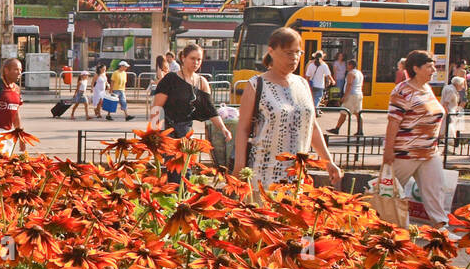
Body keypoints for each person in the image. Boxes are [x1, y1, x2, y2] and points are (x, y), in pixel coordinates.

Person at [234, 28, 342, 191]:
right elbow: (243, 129)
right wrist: (240, 167)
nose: (294, 58)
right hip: (263, 179)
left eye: (298, 52)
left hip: (296, 179)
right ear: (271, 51)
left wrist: (328, 162)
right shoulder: (256, 85)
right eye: (288, 53)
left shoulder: (303, 84)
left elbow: (312, 127)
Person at [382, 50, 448, 228]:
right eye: (429, 66)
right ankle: (384, 226)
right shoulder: (402, 91)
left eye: (433, 65)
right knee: (390, 190)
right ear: (416, 68)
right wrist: (388, 151)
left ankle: (441, 228)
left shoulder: (427, 88)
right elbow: (393, 122)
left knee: (436, 189)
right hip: (406, 152)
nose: (434, 69)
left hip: (429, 151)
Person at [152, 43, 224, 141]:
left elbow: (211, 109)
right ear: (183, 58)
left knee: (188, 155)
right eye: (192, 58)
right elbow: (156, 107)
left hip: (186, 132)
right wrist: (154, 133)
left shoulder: (202, 82)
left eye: (199, 59)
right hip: (167, 132)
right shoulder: (170, 78)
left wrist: (223, 129)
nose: (196, 62)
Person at [327, 58, 364, 136]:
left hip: (351, 95)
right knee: (358, 113)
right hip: (359, 94)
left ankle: (337, 129)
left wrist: (345, 96)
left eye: (348, 65)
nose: (347, 66)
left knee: (343, 112)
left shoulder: (351, 73)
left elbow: (349, 85)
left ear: (351, 65)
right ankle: (360, 130)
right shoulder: (359, 73)